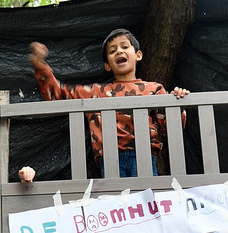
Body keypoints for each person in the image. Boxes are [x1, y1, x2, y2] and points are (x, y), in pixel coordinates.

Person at [28, 29, 188, 178]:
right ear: (107, 65)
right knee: (117, 205)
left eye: (124, 46)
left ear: (138, 55)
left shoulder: (153, 89)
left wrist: (177, 101)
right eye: (112, 51)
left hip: (144, 156)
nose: (119, 51)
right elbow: (58, 93)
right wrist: (39, 65)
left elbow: (170, 128)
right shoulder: (96, 93)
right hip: (110, 159)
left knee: (144, 203)